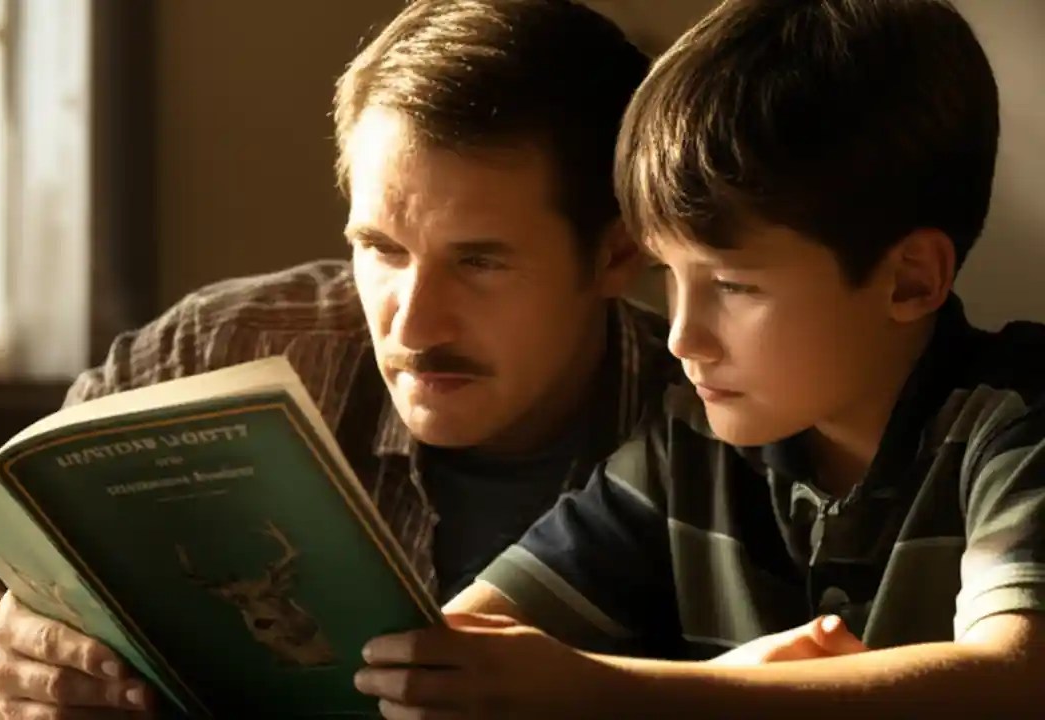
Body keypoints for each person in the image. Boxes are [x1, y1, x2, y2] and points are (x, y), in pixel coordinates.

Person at [0, 2, 680, 718]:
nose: (414, 323)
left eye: (480, 262)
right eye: (380, 249)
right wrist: (1, 669)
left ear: (616, 255)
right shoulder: (231, 346)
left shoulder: (712, 429)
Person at [353, 0, 1045, 717]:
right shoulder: (687, 447)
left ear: (909, 279)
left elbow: (1015, 679)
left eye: (733, 285)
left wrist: (604, 691)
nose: (683, 336)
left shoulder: (1016, 424)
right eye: (667, 276)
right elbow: (470, 644)